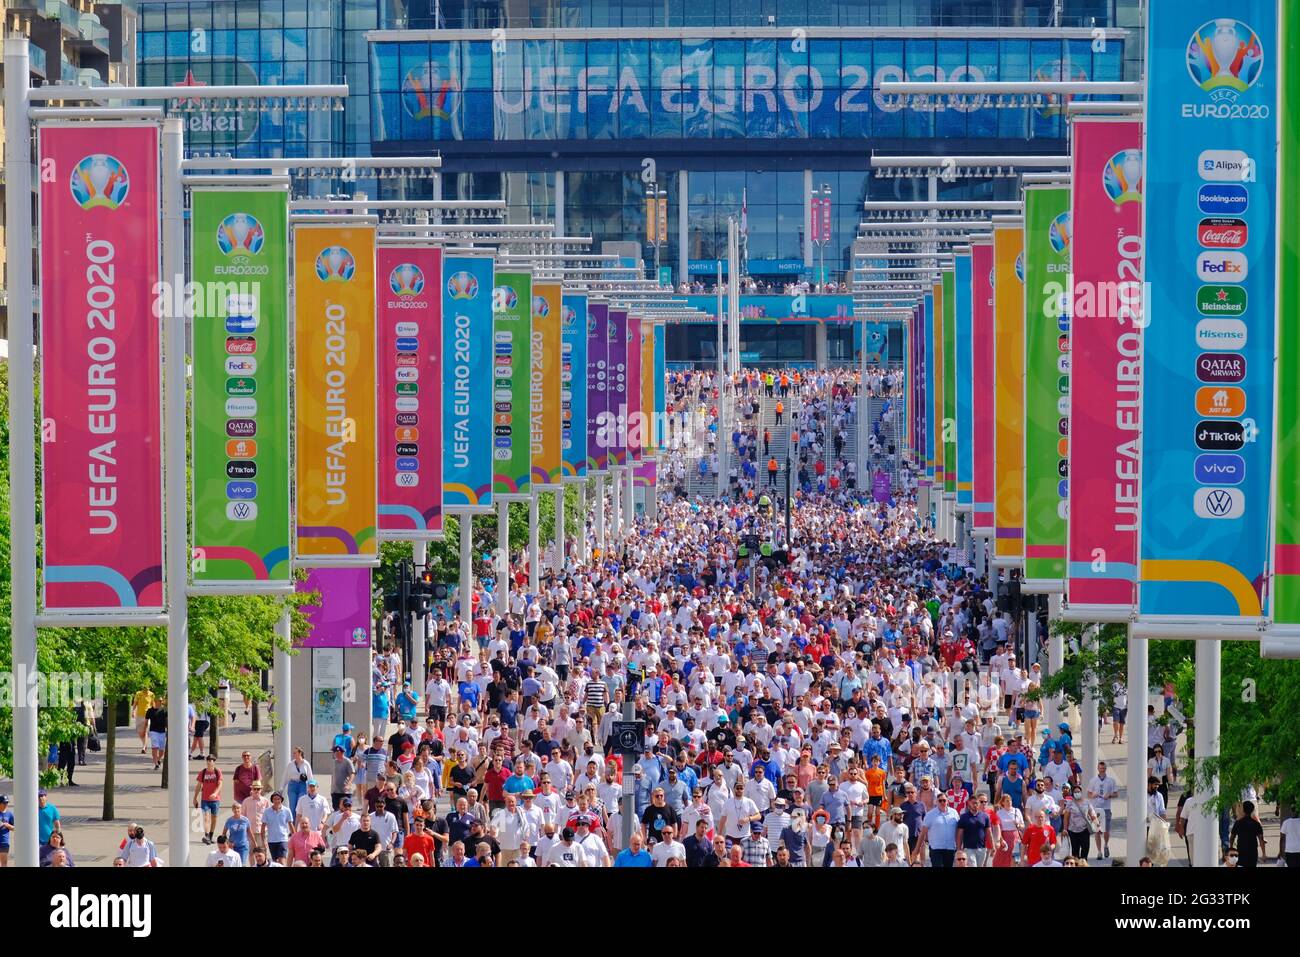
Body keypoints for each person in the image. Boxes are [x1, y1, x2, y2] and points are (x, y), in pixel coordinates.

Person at [193, 754, 223, 844]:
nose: (209, 762)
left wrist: (215, 793)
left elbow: (220, 784)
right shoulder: (203, 772)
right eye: (208, 760)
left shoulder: (217, 772)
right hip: (205, 799)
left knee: (214, 818)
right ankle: (206, 836)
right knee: (206, 817)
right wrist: (195, 798)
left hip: (215, 799)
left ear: (214, 762)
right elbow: (198, 785)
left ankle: (210, 835)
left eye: (211, 760)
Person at [1228, 801, 1266, 869]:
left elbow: (1232, 837)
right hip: (1253, 852)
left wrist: (1231, 848)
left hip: (1241, 852)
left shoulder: (1238, 823)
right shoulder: (1256, 824)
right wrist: (1264, 853)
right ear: (1252, 810)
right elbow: (1261, 839)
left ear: (1243, 810)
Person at [0, 795, 12, 867]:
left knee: (4, 863)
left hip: (4, 842)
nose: (6, 805)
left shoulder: (9, 814)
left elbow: (16, 828)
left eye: (7, 803)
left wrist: (8, 825)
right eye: (4, 803)